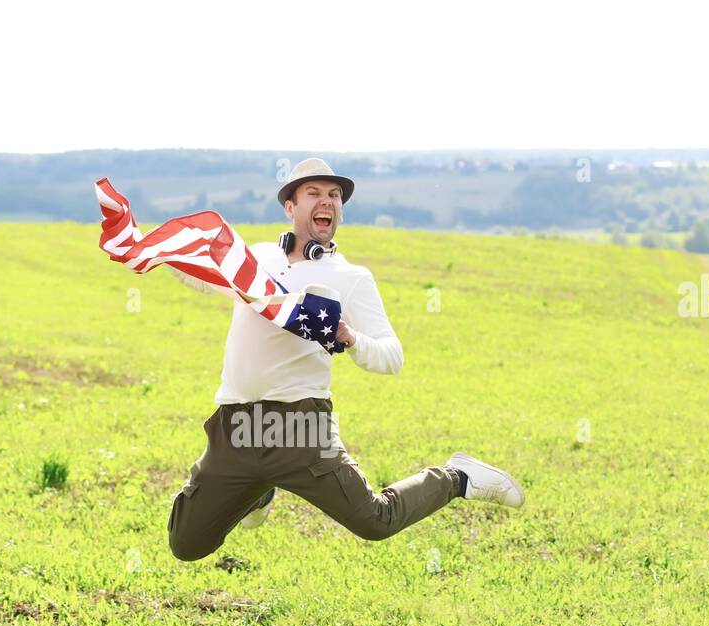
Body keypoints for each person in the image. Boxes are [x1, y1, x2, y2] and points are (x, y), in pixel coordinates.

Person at [168, 158, 523, 561]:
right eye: (315, 193)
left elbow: (392, 357)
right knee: (187, 545)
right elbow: (200, 277)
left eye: (335, 195)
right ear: (290, 207)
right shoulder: (257, 258)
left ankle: (457, 477)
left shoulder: (351, 278)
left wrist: (350, 338)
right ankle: (257, 491)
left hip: (299, 428)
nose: (328, 202)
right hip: (235, 426)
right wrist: (162, 254)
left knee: (376, 521)